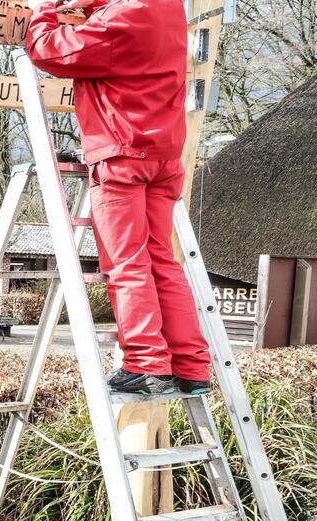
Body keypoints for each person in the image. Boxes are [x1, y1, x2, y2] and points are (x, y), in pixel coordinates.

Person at [26, 0, 211, 395]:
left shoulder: (119, 20)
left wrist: (43, 9)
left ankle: (146, 364)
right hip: (163, 158)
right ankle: (192, 366)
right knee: (161, 260)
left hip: (123, 155)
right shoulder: (167, 9)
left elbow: (49, 50)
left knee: (127, 264)